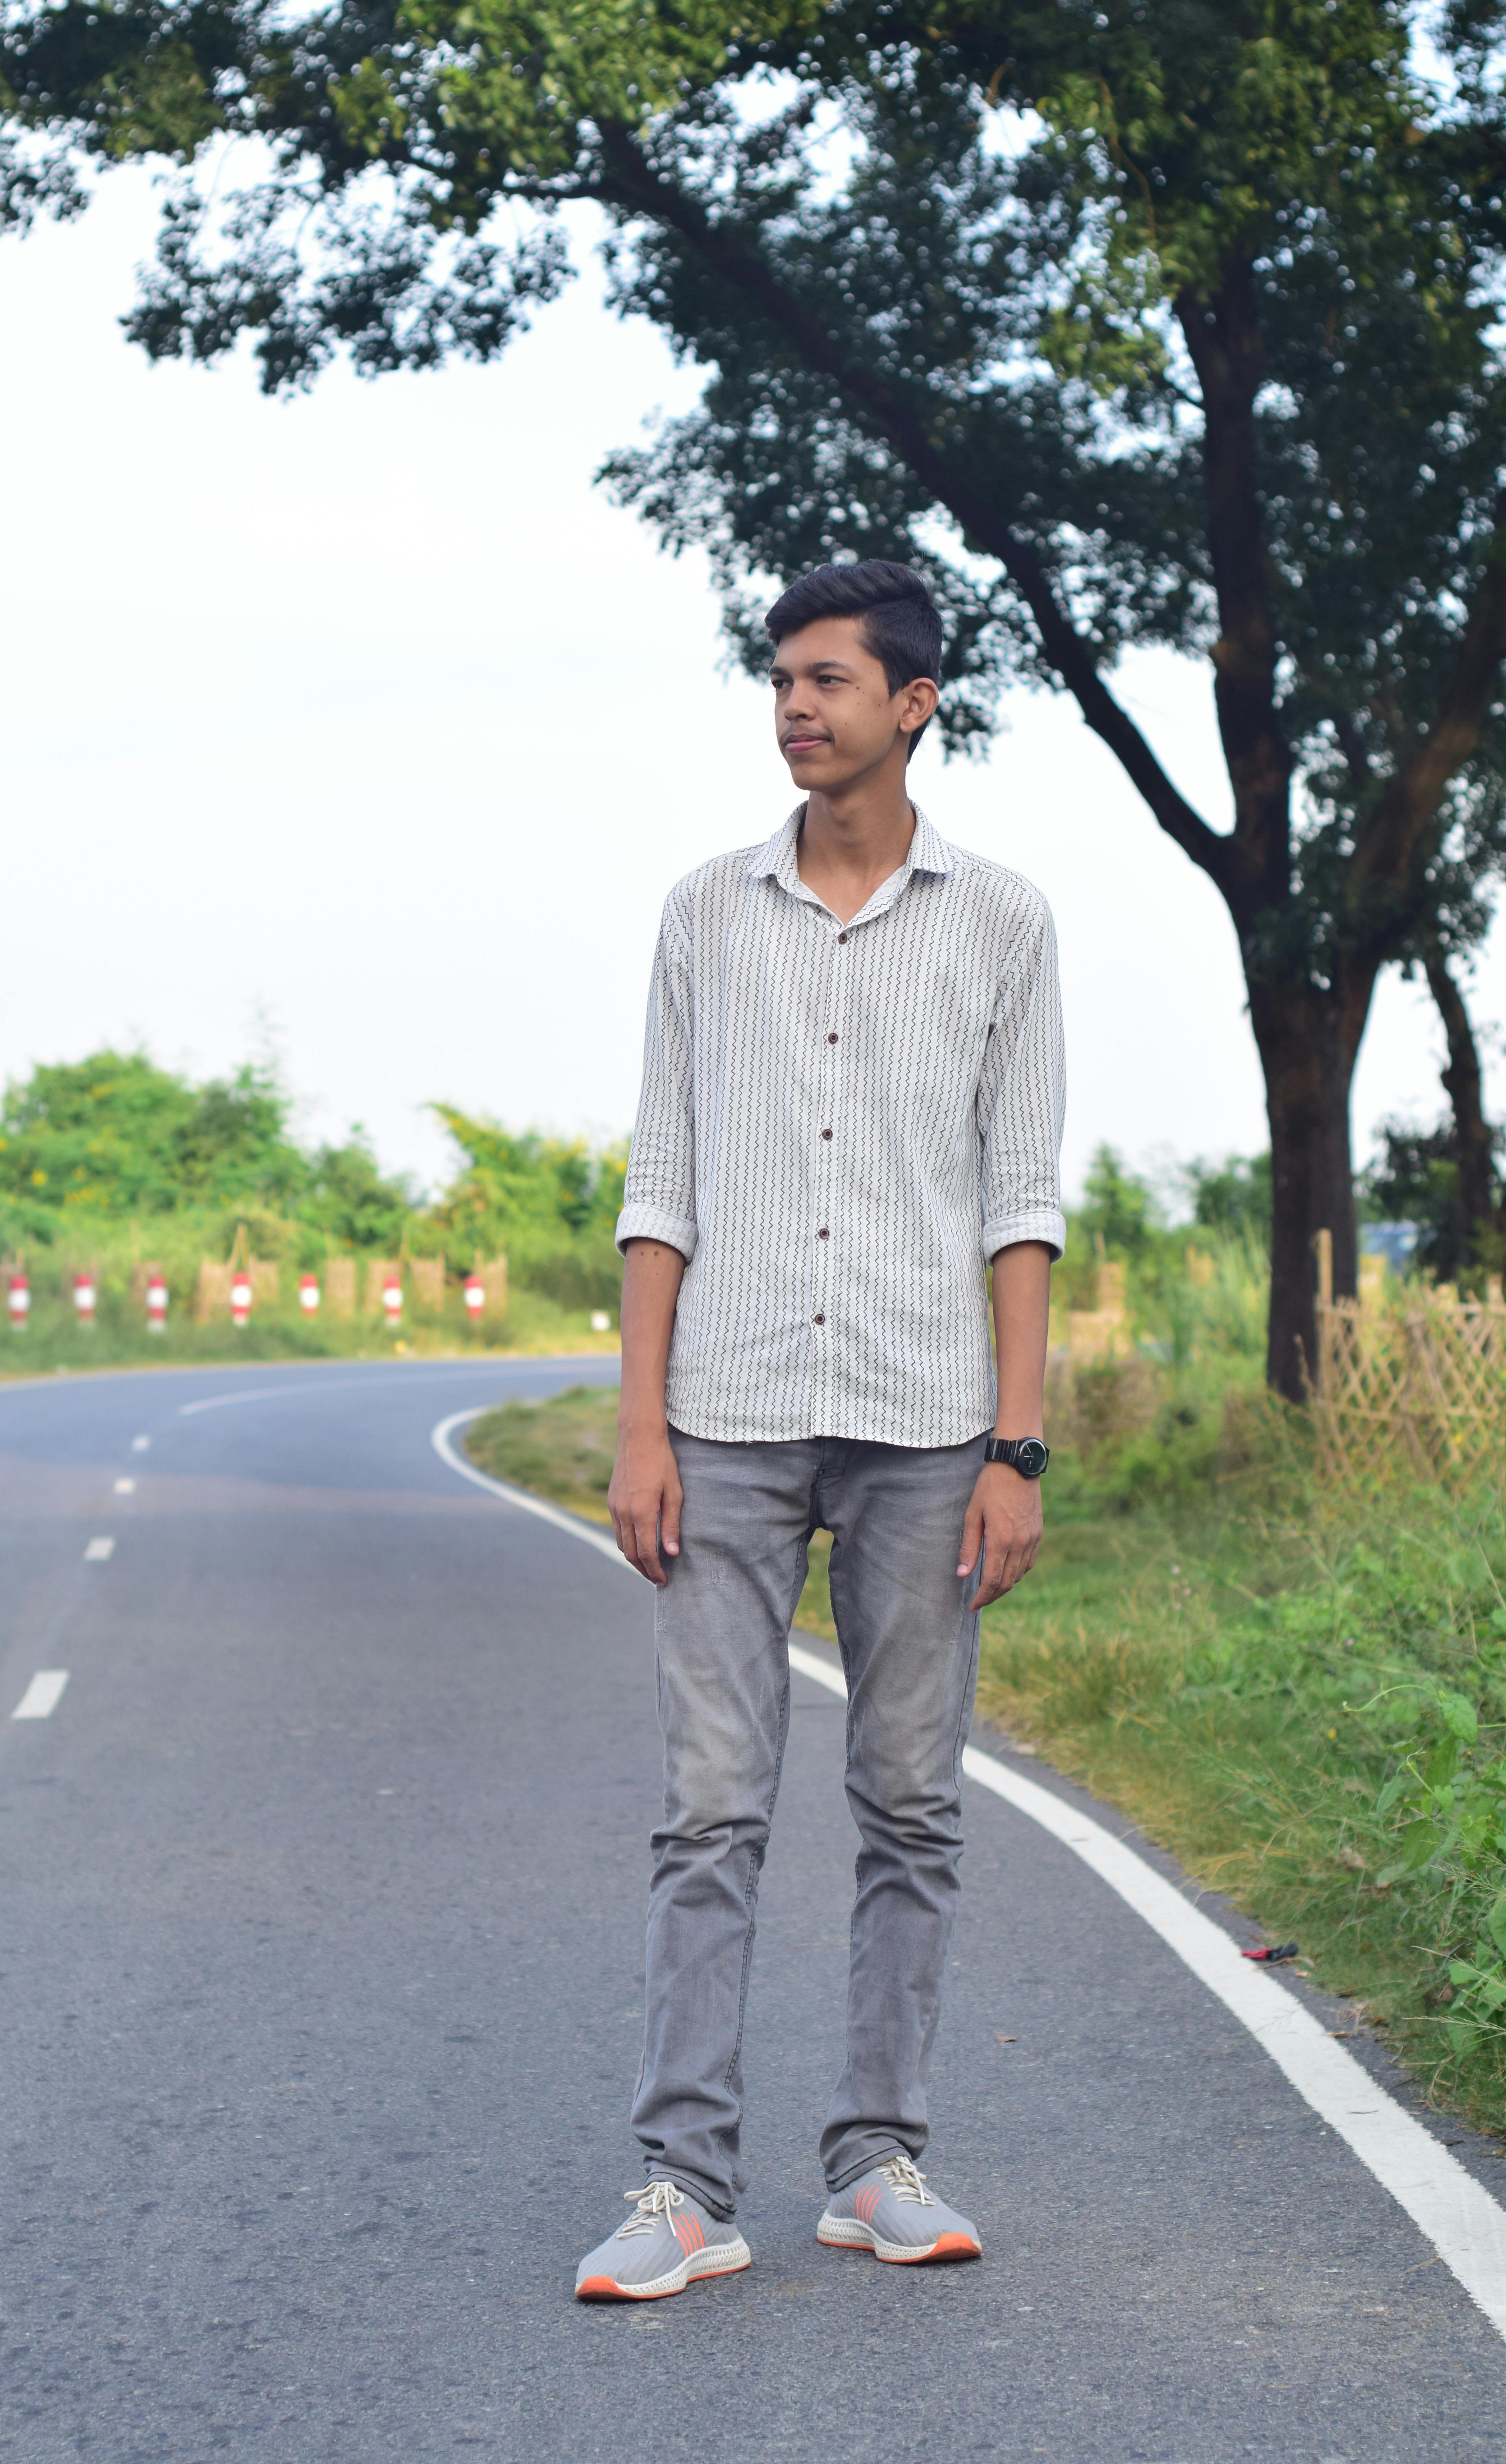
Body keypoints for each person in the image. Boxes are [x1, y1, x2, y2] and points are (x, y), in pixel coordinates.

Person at [574, 559, 1065, 2303]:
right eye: (779, 680)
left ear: (914, 705)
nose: (795, 706)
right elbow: (661, 1179)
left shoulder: (1002, 922)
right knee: (710, 1811)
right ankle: (683, 2186)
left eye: (830, 680)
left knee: (909, 1804)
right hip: (727, 1416)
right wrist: (641, 1422)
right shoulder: (705, 913)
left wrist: (1017, 1447)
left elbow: (1020, 1198)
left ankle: (876, 2160)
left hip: (931, 1420)